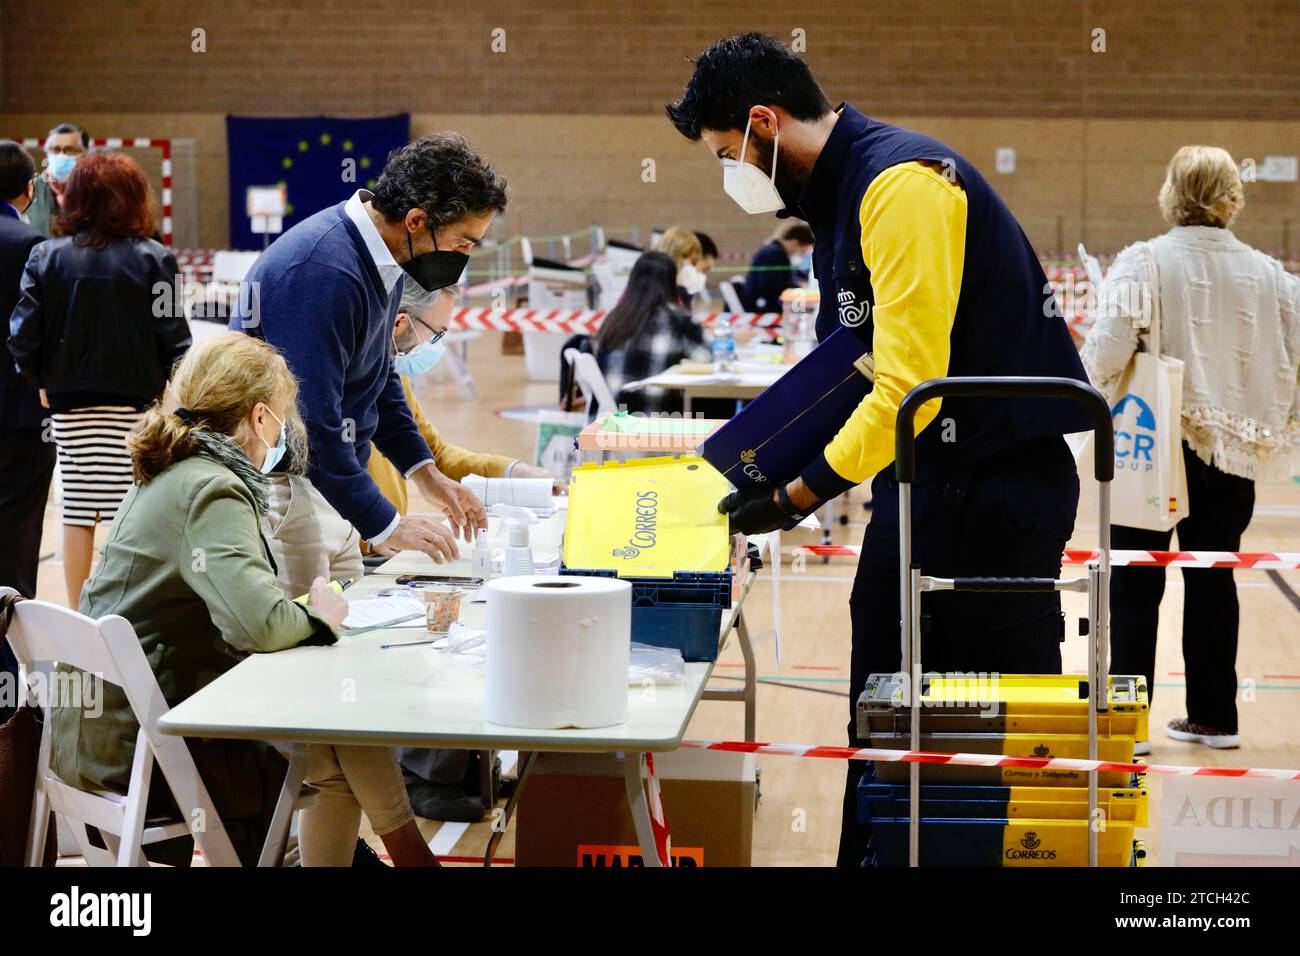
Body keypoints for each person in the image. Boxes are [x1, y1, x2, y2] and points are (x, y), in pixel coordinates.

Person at [667, 33, 1092, 867]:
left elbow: (908, 390)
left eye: (727, 155)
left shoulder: (900, 185)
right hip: (935, 482)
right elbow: (849, 368)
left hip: (988, 489)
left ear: (764, 122)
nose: (730, 176)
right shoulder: (844, 197)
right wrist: (764, 464)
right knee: (888, 701)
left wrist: (796, 496)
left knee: (961, 730)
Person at [1082, 146, 1300, 752]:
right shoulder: (1272, 275)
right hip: (1231, 453)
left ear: (1170, 193)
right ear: (1235, 197)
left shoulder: (1142, 262)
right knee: (1214, 579)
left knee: (1133, 584)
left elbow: (1104, 355)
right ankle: (1214, 717)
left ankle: (1129, 728)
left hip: (1150, 447)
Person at [231, 134, 497, 598]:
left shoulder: (384, 257)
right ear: (417, 221)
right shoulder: (325, 271)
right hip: (283, 487)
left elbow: (378, 375)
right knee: (301, 644)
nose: (465, 257)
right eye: (464, 243)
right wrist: (388, 523)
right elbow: (310, 424)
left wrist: (425, 473)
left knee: (348, 630)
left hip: (328, 489)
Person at [8, 150, 190, 609]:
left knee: (77, 510)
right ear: (133, 198)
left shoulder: (46, 257)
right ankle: (125, 613)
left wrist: (40, 380)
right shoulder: (156, 259)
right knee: (129, 508)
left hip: (68, 405)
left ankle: (77, 616)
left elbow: (21, 337)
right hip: (135, 405)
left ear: (76, 198)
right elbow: (177, 341)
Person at [368, 282, 556, 517]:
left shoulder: (395, 380)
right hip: (362, 546)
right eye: (437, 334)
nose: (438, 345)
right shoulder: (342, 382)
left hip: (386, 543)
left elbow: (434, 455)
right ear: (399, 323)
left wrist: (514, 472)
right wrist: (380, 532)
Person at [0, 140, 46, 726]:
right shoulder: (32, 244)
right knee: (13, 547)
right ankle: (11, 686)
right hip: (18, 417)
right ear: (29, 191)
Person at [594, 251, 711, 417]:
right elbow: (711, 358)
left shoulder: (613, 319)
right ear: (671, 282)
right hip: (654, 428)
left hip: (607, 428)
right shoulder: (679, 320)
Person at [26, 123, 89, 237]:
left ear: (85, 154)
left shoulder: (94, 189)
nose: (61, 155)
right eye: (55, 150)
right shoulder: (31, 189)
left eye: (70, 150)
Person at [739, 220, 814, 312]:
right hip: (760, 306)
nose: (800, 254)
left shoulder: (774, 250)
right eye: (802, 250)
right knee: (806, 311)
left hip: (760, 301)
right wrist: (799, 289)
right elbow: (770, 285)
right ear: (795, 242)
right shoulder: (775, 253)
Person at [656, 225, 706, 307]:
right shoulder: (656, 289)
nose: (691, 268)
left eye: (693, 263)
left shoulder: (681, 290)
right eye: (687, 258)